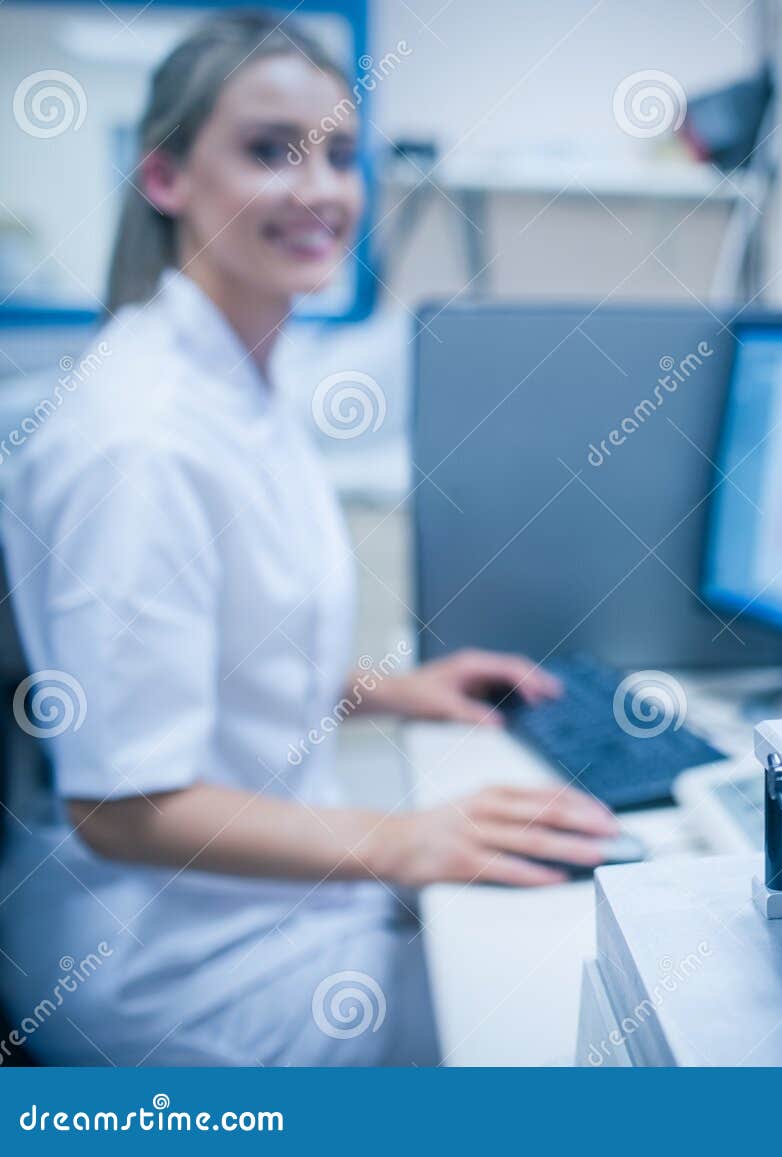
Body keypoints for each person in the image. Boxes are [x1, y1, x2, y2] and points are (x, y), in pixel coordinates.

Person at [0, 11, 618, 1066]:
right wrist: (401, 840)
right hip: (182, 981)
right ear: (162, 176)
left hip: (267, 911)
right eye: (267, 150)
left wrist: (391, 689)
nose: (320, 190)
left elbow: (211, 653)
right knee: (556, 1043)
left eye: (339, 153)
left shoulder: (237, 381)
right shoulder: (137, 438)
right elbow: (119, 803)